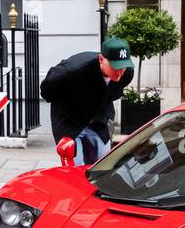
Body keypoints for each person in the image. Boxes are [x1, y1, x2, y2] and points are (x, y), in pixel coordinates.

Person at [40, 36, 134, 165]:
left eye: (123, 66)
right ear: (101, 59)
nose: (120, 71)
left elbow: (112, 95)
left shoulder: (127, 73)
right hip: (70, 120)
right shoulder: (72, 70)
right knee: (74, 168)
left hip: (98, 119)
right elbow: (46, 90)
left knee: (102, 166)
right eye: (115, 66)